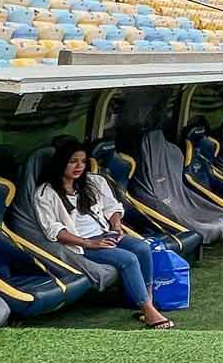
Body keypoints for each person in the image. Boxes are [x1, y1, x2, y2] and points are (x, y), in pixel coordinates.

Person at [33, 135, 175, 329]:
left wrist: (116, 226)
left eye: (83, 162)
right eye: (73, 161)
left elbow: (112, 207)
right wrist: (89, 243)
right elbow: (54, 230)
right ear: (61, 163)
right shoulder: (45, 193)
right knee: (128, 259)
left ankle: (148, 300)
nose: (79, 166)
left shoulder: (93, 182)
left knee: (142, 247)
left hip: (105, 233)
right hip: (82, 244)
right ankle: (148, 310)